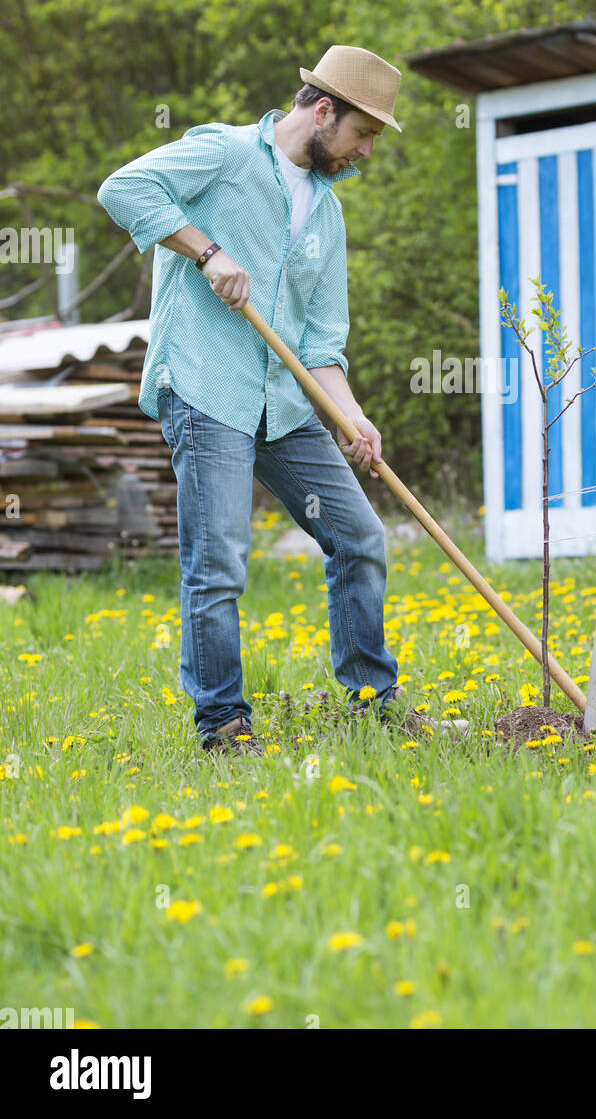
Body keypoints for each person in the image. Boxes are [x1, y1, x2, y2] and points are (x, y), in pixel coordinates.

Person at [97, 45, 425, 754]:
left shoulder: (328, 217)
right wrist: (207, 251)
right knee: (218, 564)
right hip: (208, 386)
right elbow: (123, 189)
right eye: (362, 134)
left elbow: (320, 344)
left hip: (287, 402)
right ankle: (223, 724)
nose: (366, 152)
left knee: (360, 538)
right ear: (322, 109)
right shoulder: (223, 154)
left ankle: (371, 698)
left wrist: (351, 416)